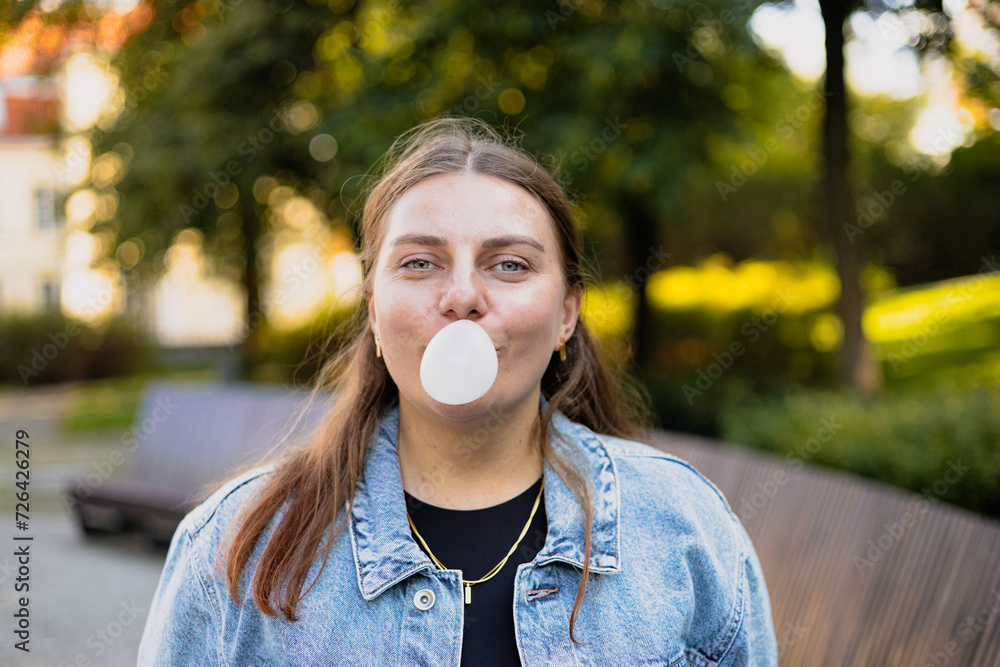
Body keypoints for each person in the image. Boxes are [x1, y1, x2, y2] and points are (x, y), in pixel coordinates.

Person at [137, 117, 778, 665]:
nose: (463, 296)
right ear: (374, 312)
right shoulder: (238, 546)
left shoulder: (682, 528)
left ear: (567, 314)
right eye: (420, 262)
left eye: (510, 264)